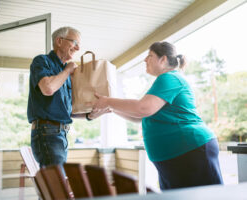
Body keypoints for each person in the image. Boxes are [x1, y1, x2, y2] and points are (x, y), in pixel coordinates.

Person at [93, 41, 223, 190]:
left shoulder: (170, 78)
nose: (145, 60)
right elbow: (140, 116)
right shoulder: (164, 81)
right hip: (175, 156)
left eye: (150, 56)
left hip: (190, 149)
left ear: (164, 59)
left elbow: (143, 108)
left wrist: (108, 101)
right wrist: (111, 107)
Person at [27, 26, 107, 168]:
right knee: (57, 186)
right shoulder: (42, 61)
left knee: (56, 185)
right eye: (75, 43)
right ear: (59, 41)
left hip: (60, 135)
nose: (77, 48)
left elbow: (68, 111)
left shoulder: (66, 75)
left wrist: (89, 115)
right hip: (47, 133)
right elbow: (48, 88)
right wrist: (68, 70)